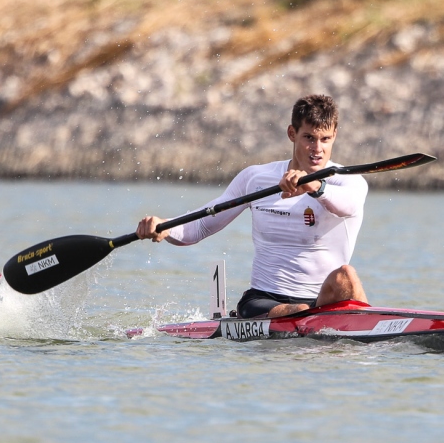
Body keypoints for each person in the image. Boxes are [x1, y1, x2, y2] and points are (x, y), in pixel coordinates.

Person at [136, 94, 369, 318]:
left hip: (321, 302)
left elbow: (348, 206)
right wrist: (165, 226)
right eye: (309, 138)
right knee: (298, 311)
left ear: (335, 135)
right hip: (264, 301)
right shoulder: (256, 178)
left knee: (346, 276)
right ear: (292, 133)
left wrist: (313, 187)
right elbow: (199, 228)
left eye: (325, 139)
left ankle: (365, 331)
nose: (317, 148)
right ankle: (302, 319)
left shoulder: (348, 181)